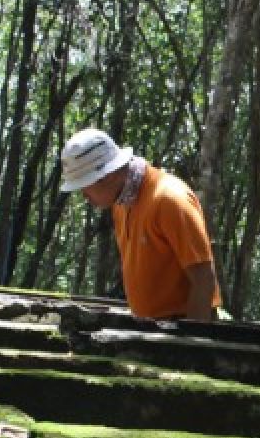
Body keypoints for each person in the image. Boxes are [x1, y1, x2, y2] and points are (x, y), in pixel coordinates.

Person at [59, 128, 220, 321]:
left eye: (85, 186)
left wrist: (192, 336)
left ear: (107, 175)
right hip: (149, 326)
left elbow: (204, 278)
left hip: (183, 325)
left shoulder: (169, 200)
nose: (84, 195)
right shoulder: (121, 202)